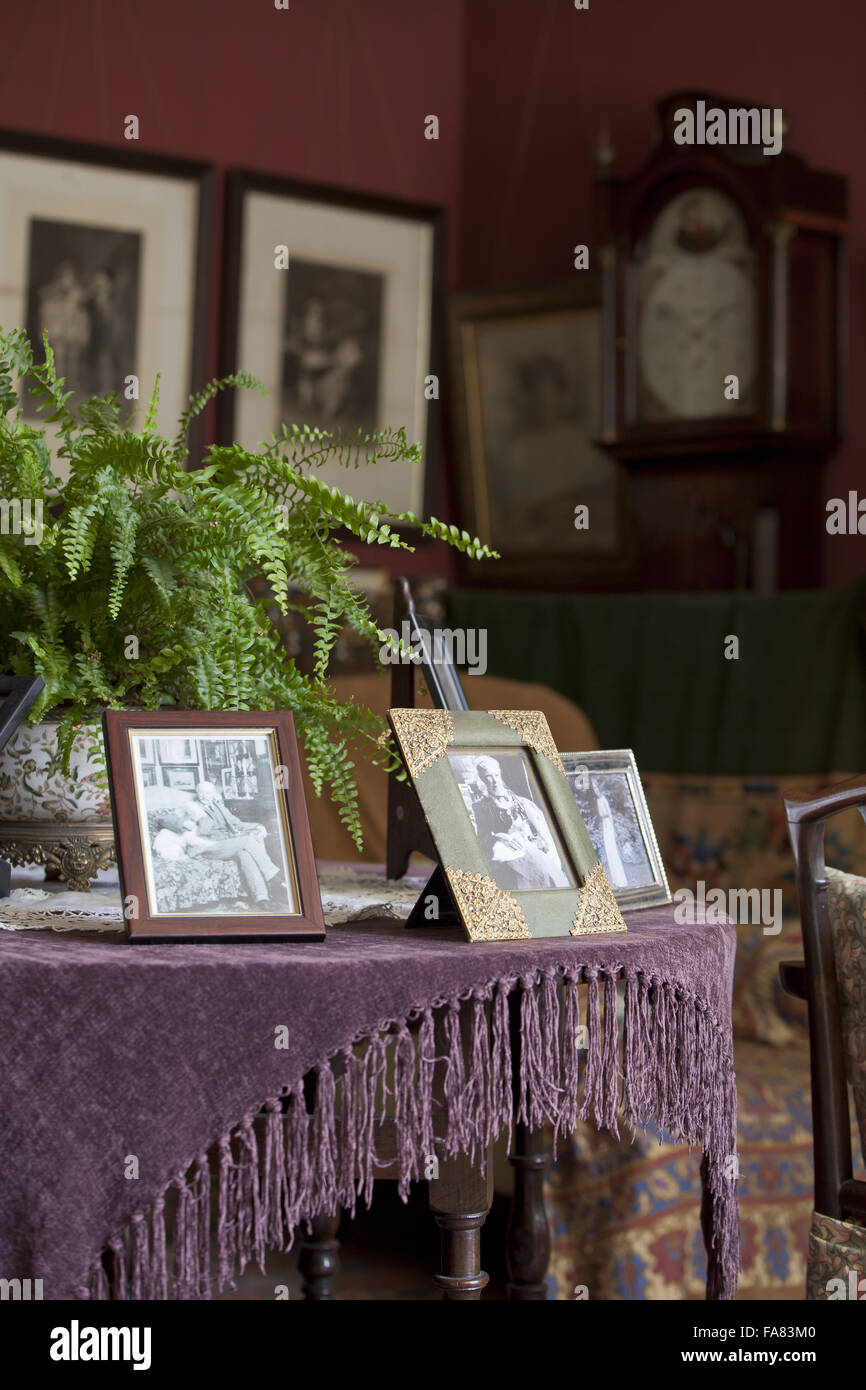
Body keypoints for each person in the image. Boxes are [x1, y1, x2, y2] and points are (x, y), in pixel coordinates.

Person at [468, 756, 569, 891]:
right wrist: (501, 837)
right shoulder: (480, 807)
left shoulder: (520, 801)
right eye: (488, 777)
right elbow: (482, 839)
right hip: (506, 857)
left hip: (531, 849)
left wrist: (539, 843)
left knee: (552, 875)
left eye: (496, 775)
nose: (494, 781)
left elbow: (540, 832)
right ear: (482, 781)